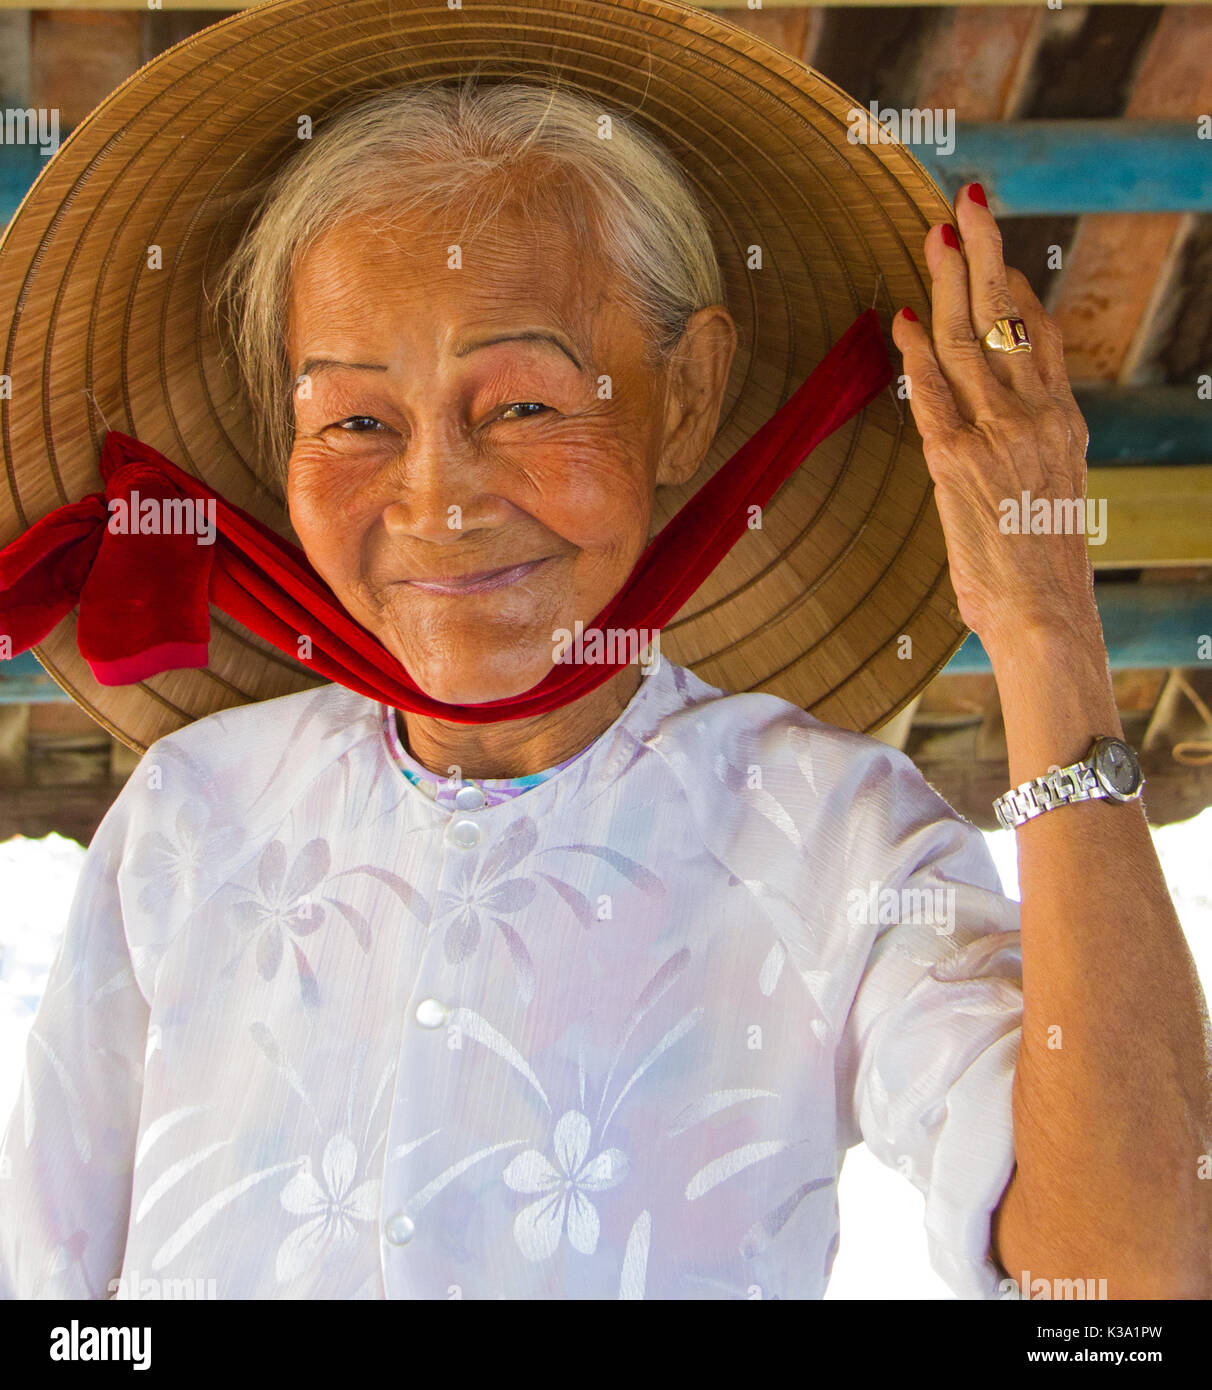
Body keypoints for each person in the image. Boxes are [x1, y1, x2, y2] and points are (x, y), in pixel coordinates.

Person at [0, 0, 1207, 1301]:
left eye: (522, 400)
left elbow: (1130, 1289)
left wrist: (1045, 629)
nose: (437, 502)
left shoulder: (832, 838)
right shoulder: (191, 813)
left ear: (684, 399)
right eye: (353, 417)